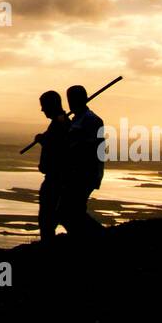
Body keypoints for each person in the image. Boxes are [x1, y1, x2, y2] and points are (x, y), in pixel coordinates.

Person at [32, 90, 75, 241]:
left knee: (47, 219)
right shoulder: (59, 123)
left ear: (52, 105)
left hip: (56, 179)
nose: (42, 110)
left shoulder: (61, 124)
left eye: (44, 106)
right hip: (55, 178)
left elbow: (60, 149)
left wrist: (44, 141)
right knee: (50, 219)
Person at [64, 83, 106, 224]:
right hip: (78, 172)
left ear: (84, 99)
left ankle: (99, 238)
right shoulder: (77, 119)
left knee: (72, 211)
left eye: (73, 99)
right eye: (69, 99)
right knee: (71, 211)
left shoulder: (92, 120)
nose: (71, 103)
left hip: (86, 172)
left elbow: (88, 147)